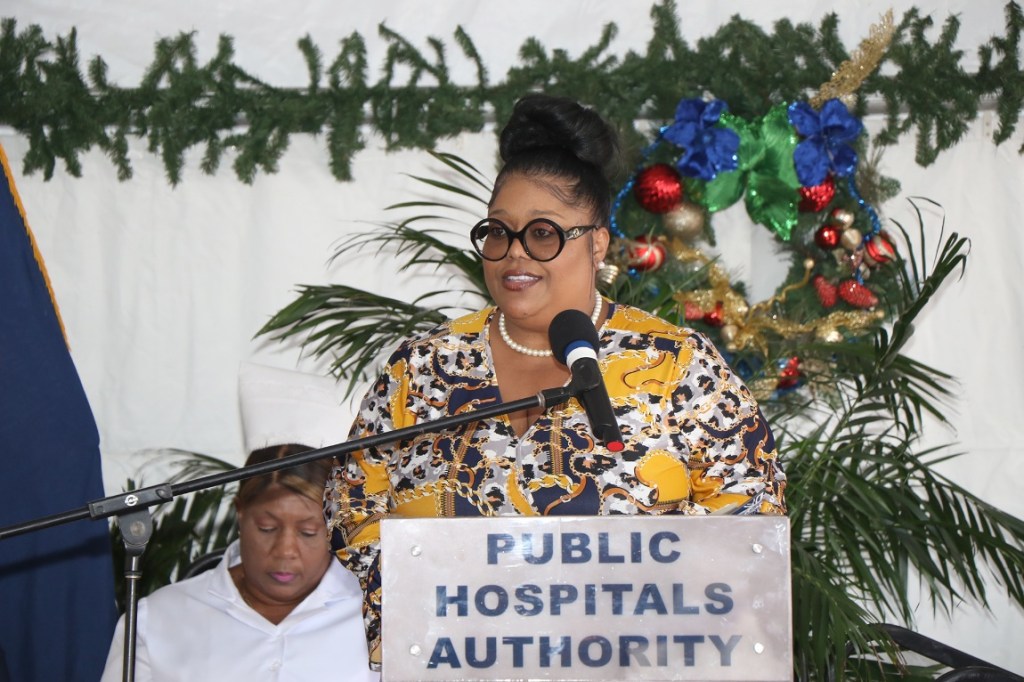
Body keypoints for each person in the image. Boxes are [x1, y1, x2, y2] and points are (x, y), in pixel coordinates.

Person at [324, 93, 787, 671]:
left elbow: (750, 526)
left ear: (597, 242)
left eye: (543, 233)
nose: (513, 255)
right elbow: (351, 511)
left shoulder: (674, 365)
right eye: (498, 232)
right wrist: (440, 622)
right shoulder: (421, 368)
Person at [100, 365, 377, 681]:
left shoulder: (381, 617)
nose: (286, 550)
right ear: (240, 512)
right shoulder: (157, 619)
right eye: (267, 528)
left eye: (308, 532)